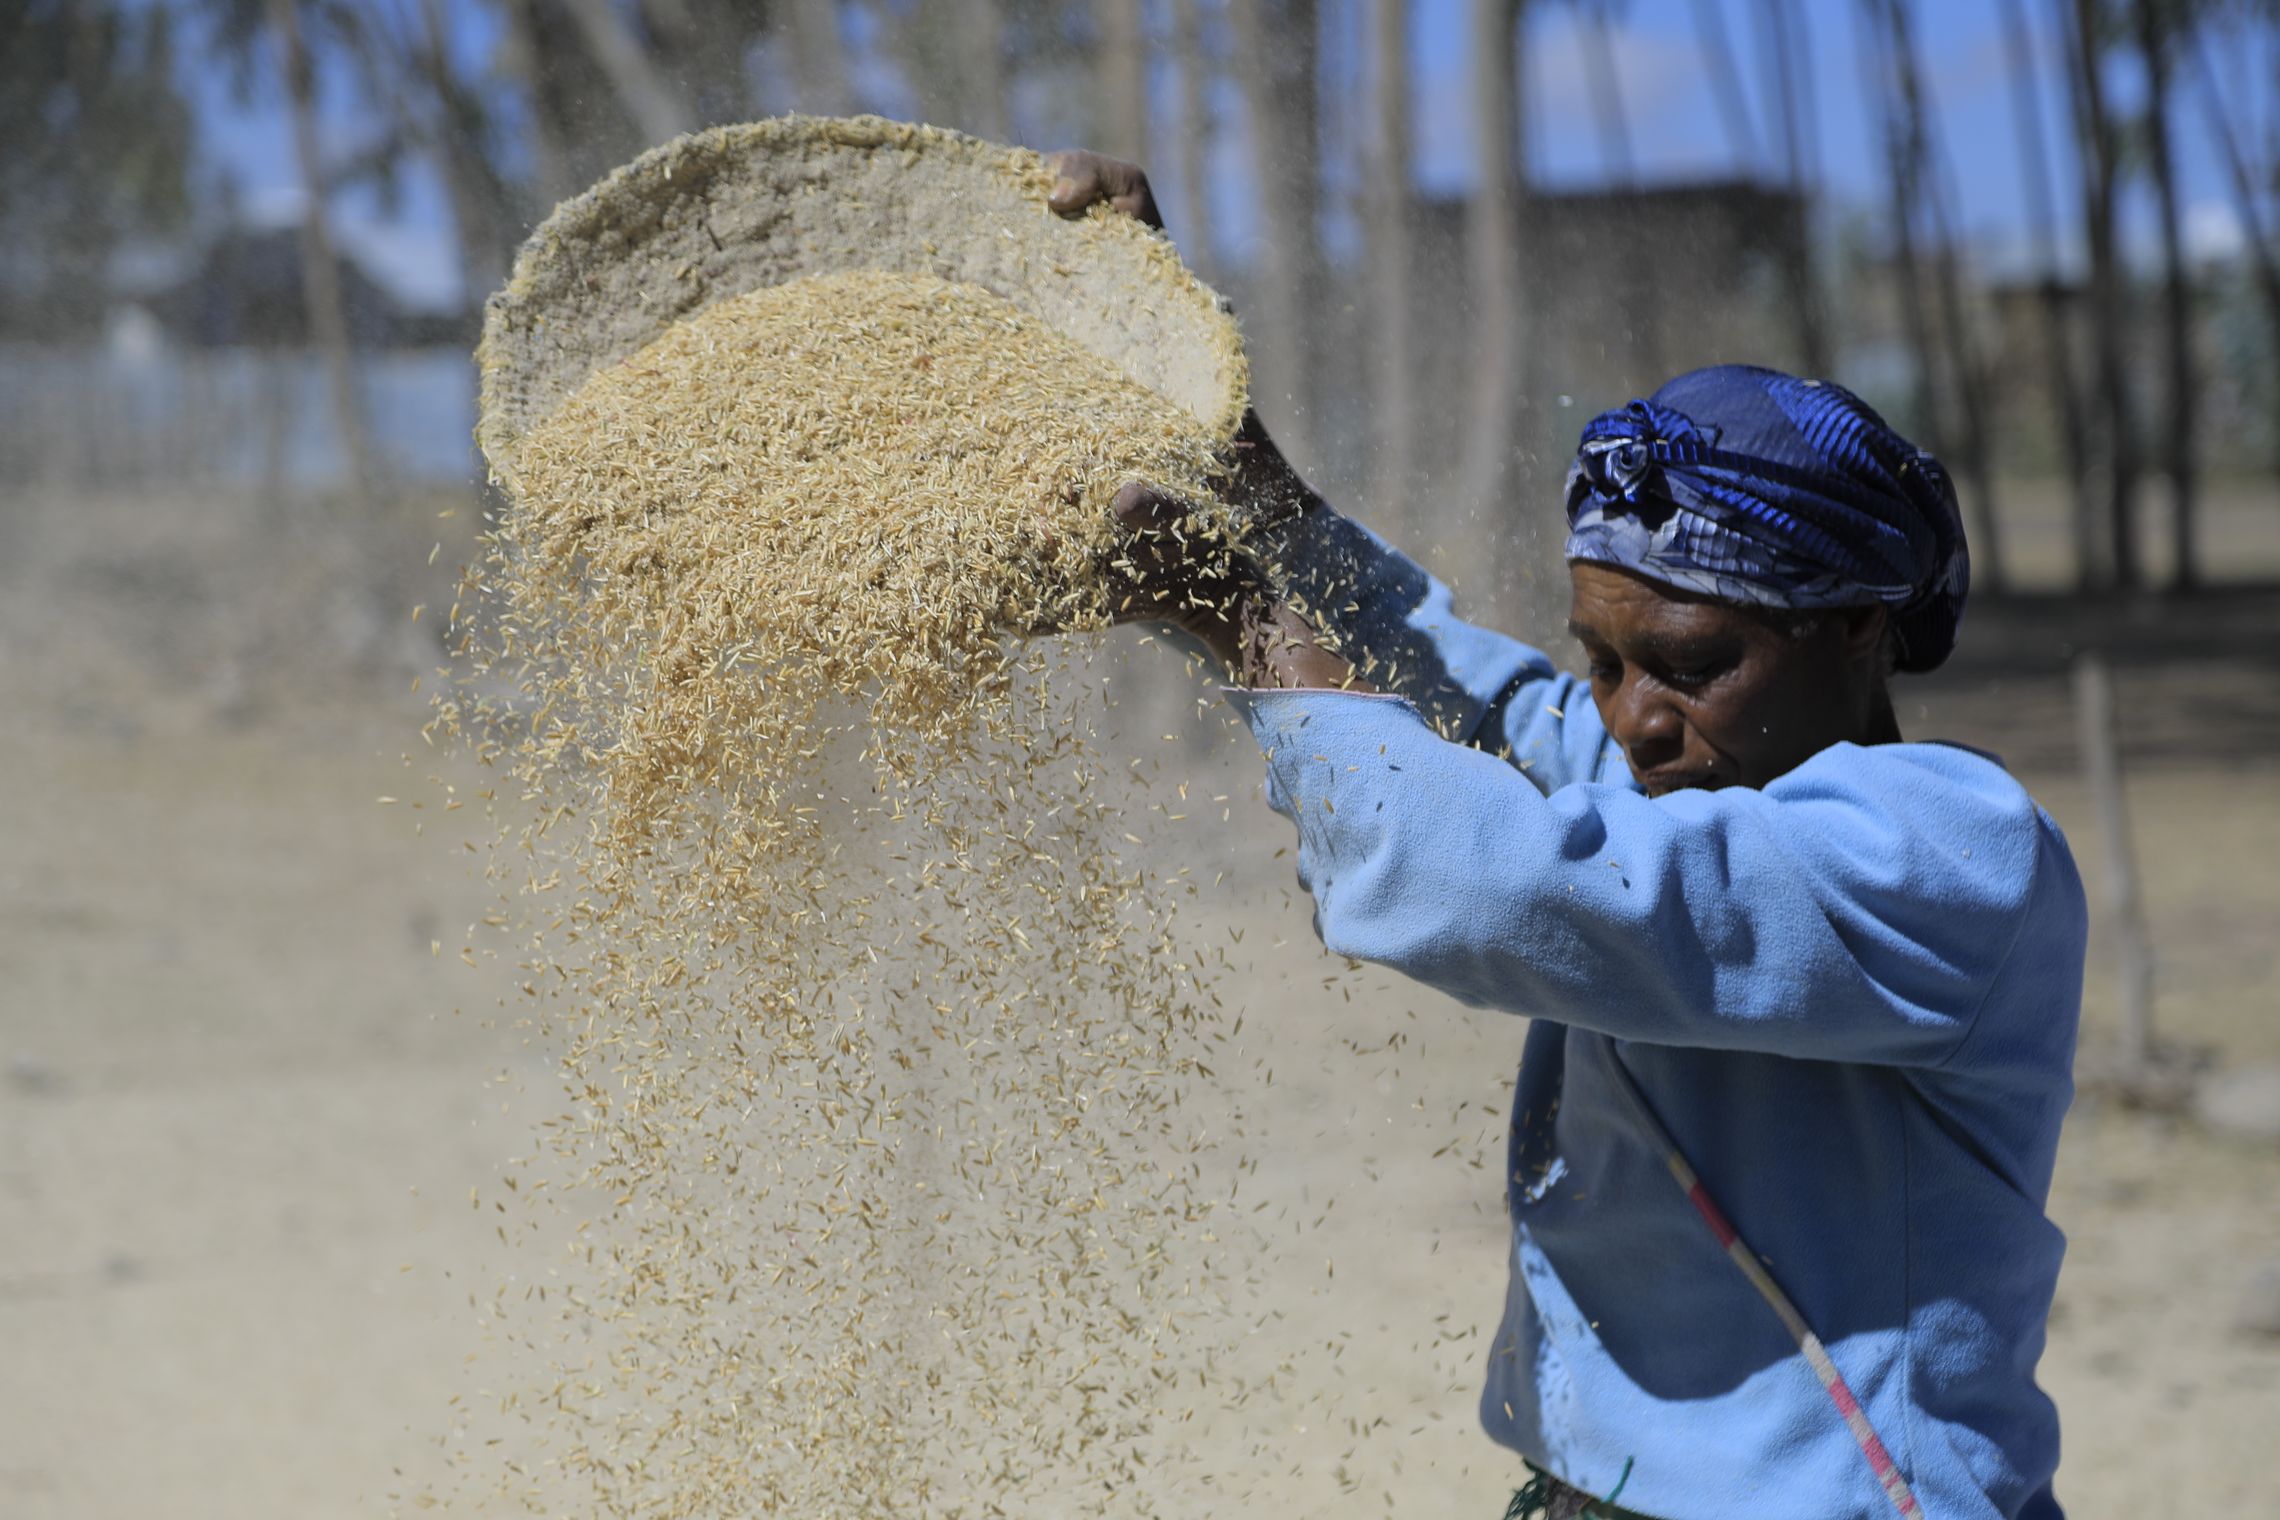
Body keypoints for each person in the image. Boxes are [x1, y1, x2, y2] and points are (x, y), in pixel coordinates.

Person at [1046, 152, 2087, 1520]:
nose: (1635, 720)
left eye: (1692, 661)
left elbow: (1493, 881)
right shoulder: (1680, 781)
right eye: (1600, 658)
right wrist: (1221, 435)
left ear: (1856, 629)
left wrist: (1244, 620)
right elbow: (1482, 700)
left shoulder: (1950, 856)